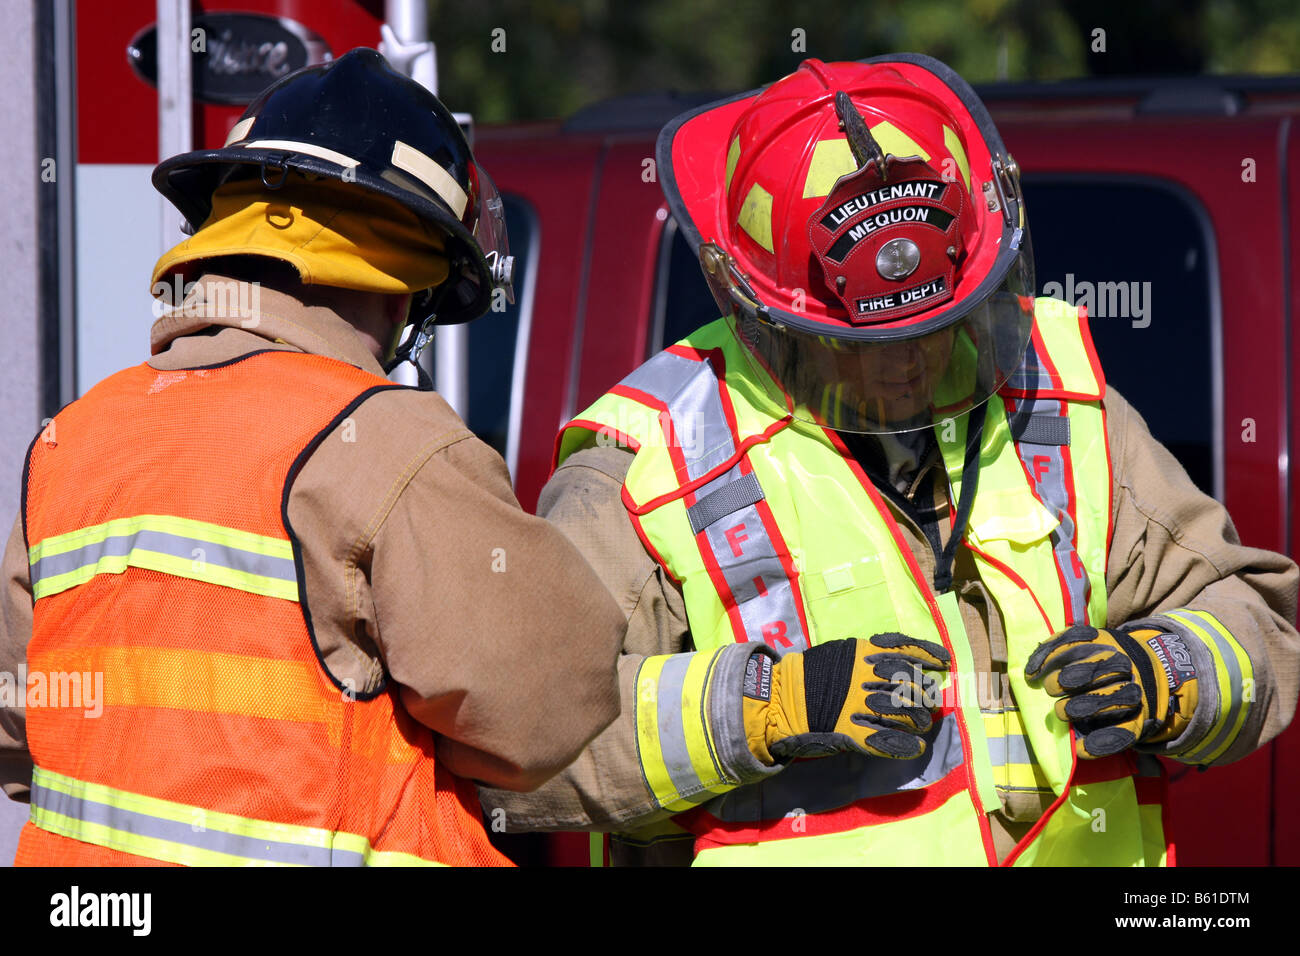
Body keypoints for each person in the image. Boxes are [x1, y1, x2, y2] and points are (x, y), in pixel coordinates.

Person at [479, 54, 1300, 865]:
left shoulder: (1063, 405)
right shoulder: (650, 466)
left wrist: (1171, 673)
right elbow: (515, 743)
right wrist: (764, 706)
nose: (909, 365)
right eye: (858, 347)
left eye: (944, 327)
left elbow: (1253, 619)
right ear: (757, 311)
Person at [0, 48, 624, 866]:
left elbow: (20, 722)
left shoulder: (72, 441)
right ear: (406, 286)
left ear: (215, 246)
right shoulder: (391, 441)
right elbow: (550, 705)